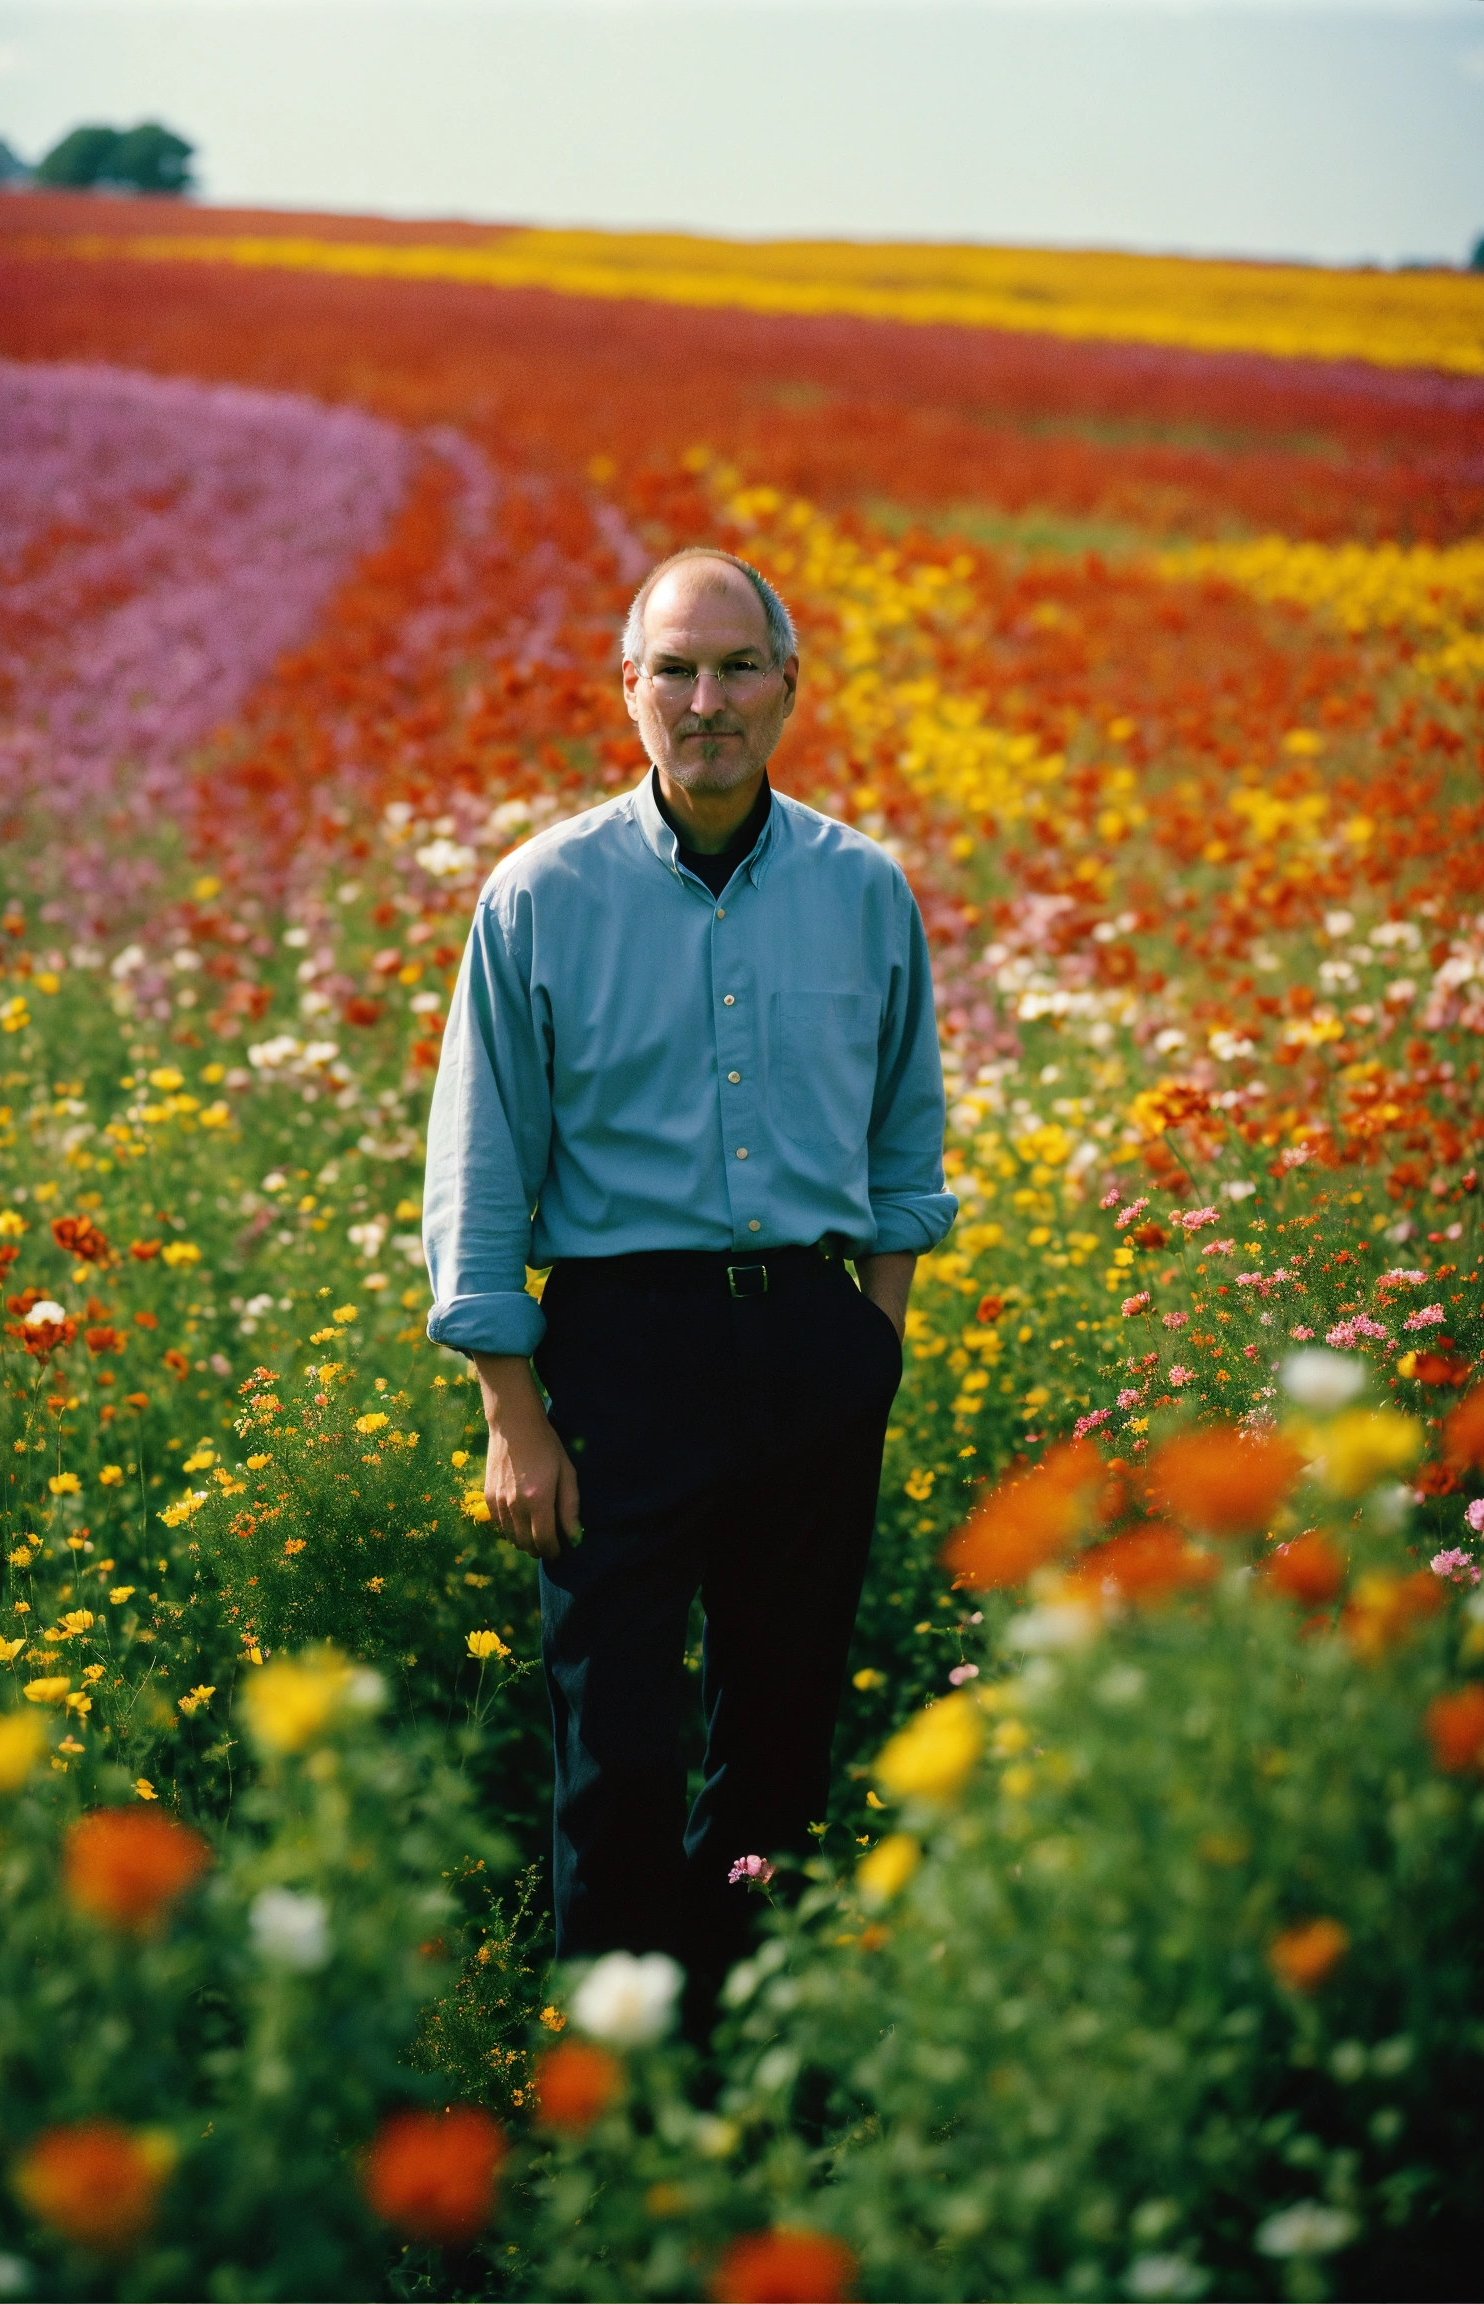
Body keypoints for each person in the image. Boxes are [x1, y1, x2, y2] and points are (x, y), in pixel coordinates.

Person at [423, 546, 956, 2013]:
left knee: (781, 1733)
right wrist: (509, 1412)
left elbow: (905, 1138)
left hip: (809, 1345)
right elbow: (478, 1171)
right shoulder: (540, 896)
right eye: (675, 669)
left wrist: (875, 1343)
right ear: (628, 691)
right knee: (620, 1747)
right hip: (620, 1359)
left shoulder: (861, 890)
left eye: (735, 668)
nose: (705, 700)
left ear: (790, 684)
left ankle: (747, 2052)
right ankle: (617, 2084)